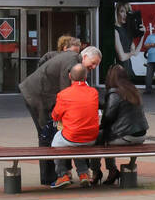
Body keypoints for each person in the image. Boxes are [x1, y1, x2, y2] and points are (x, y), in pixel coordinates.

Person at [19, 39, 83, 187]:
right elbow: (65, 90)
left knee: (56, 132)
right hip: (38, 98)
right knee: (47, 133)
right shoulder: (71, 59)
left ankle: (60, 173)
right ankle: (50, 177)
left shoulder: (66, 59)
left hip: (41, 97)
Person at [50, 64, 101, 189]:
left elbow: (55, 116)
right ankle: (84, 174)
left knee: (56, 144)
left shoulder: (64, 94)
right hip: (91, 137)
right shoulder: (94, 92)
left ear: (69, 76)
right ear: (86, 76)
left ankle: (62, 175)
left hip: (71, 136)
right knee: (77, 145)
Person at [99, 63, 149, 184]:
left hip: (126, 136)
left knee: (101, 138)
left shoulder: (114, 93)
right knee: (104, 134)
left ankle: (109, 171)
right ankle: (130, 165)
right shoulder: (133, 90)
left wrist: (100, 127)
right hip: (141, 135)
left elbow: (109, 116)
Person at [114, 3, 142, 81]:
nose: (125, 15)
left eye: (127, 12)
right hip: (119, 70)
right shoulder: (115, 31)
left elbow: (135, 52)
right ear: (116, 13)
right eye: (122, 11)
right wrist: (132, 53)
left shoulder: (127, 30)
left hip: (129, 69)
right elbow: (122, 57)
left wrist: (142, 35)